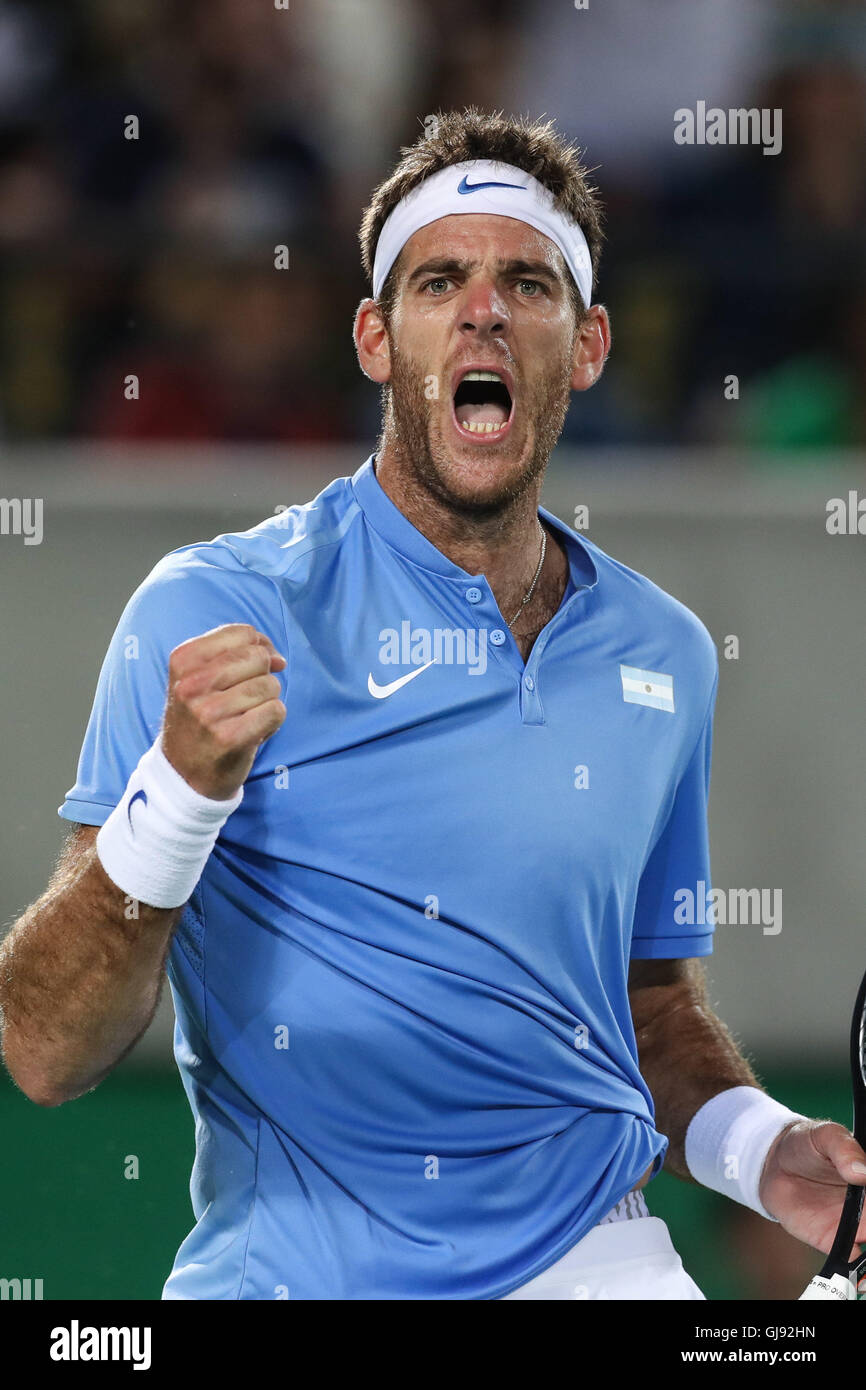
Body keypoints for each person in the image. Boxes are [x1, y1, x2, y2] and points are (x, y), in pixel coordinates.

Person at [2, 109, 864, 1301]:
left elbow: (649, 1008)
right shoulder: (211, 608)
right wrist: (174, 800)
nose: (484, 311)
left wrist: (761, 1151)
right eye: (439, 279)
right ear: (373, 336)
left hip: (591, 1257)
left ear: (588, 344)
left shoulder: (664, 652)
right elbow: (44, 1052)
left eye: (526, 280)